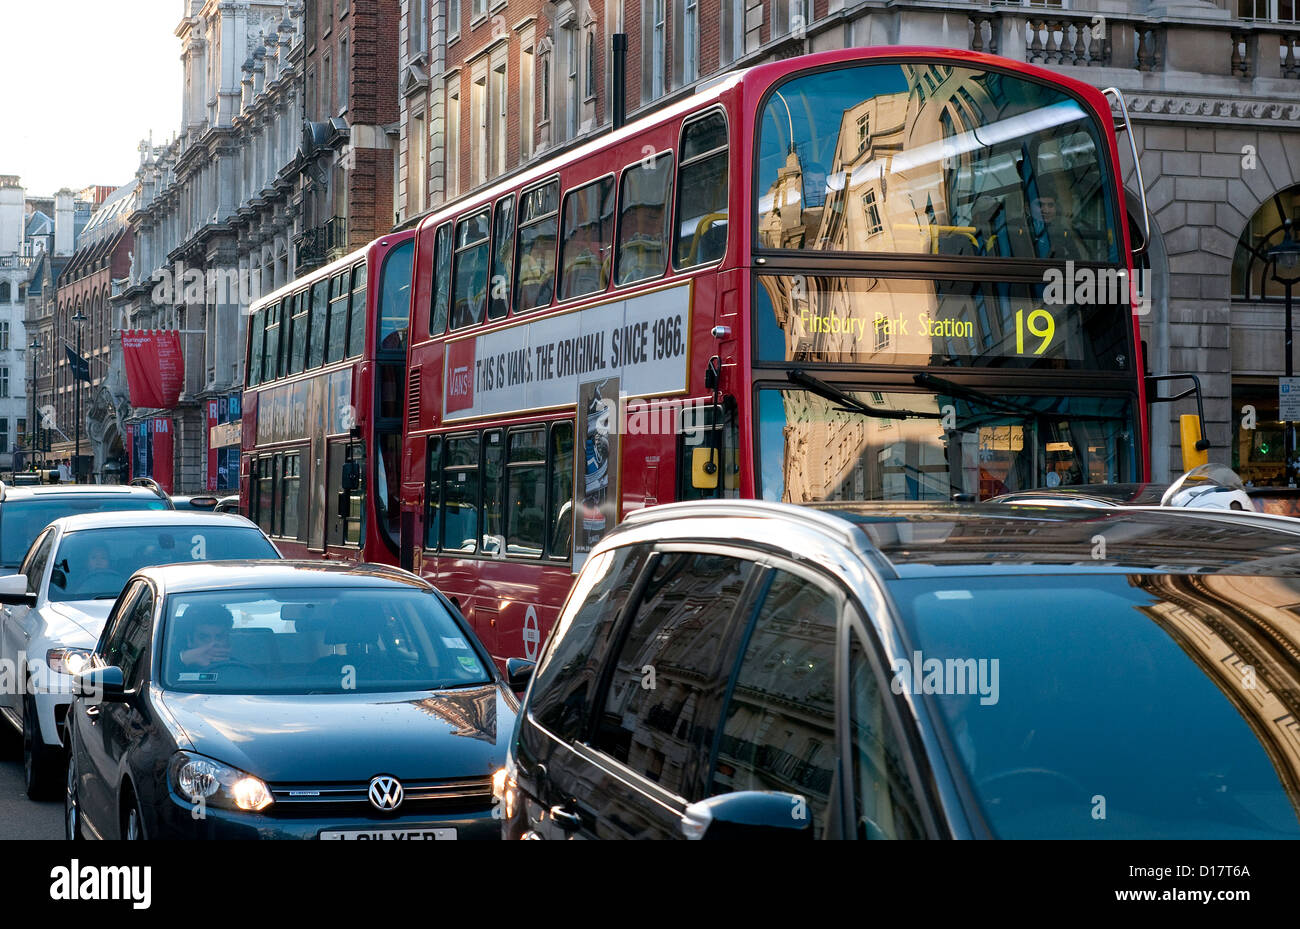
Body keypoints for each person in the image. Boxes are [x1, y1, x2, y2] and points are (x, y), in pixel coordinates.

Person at [175, 604, 235, 670]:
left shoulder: (240, 669)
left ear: (228, 639)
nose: (213, 644)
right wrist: (184, 658)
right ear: (190, 641)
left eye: (219, 637)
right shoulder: (168, 672)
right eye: (204, 638)